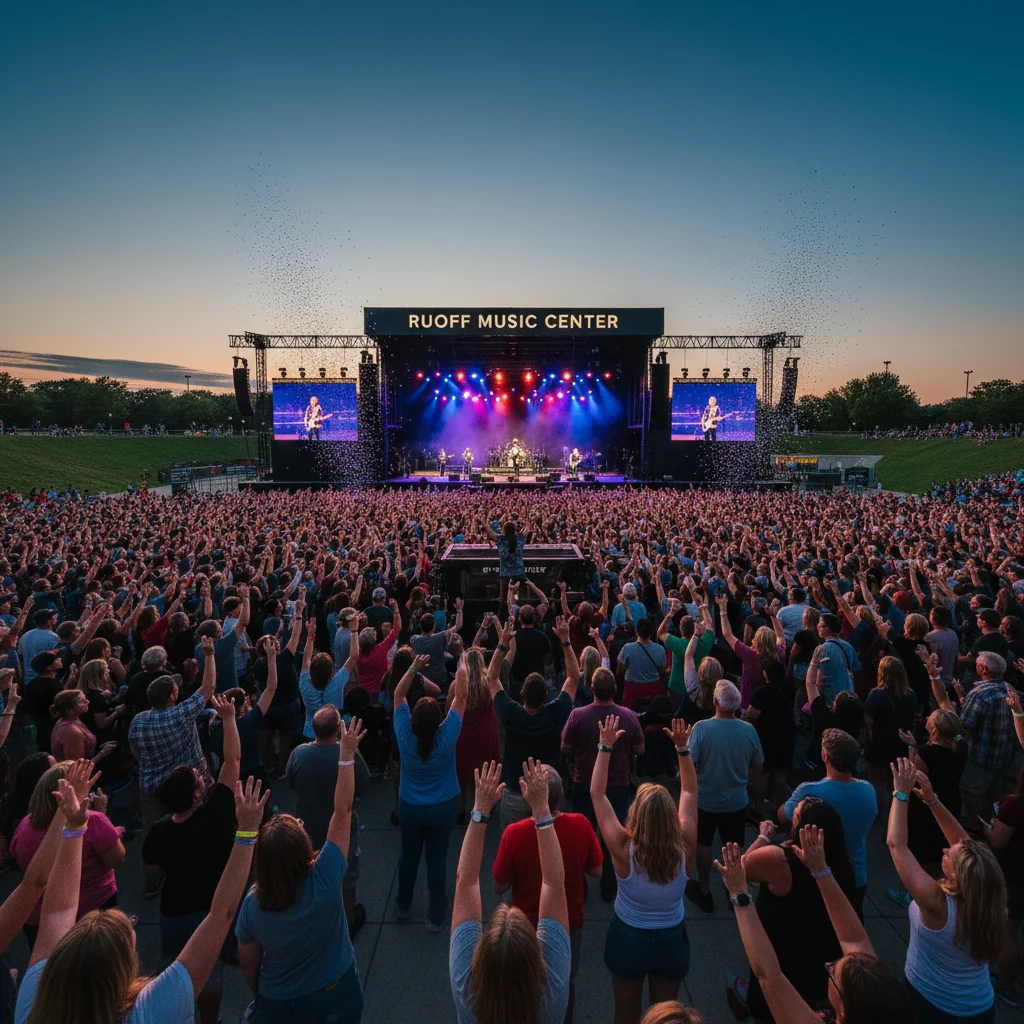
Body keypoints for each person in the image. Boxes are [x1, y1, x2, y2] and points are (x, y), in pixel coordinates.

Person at [16, 766, 269, 1024]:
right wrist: (249, 829)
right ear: (123, 967)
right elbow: (221, 913)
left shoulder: (34, 1000)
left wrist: (73, 825)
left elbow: (57, 911)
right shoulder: (153, 1009)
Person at [236, 717, 366, 1023]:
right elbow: (343, 810)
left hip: (280, 1003)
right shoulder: (326, 876)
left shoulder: (253, 904)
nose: (301, 821)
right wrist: (346, 755)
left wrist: (261, 998)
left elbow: (248, 963)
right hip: (335, 995)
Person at [714, 830, 916, 1024]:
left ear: (843, 1012)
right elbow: (854, 939)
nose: (828, 965)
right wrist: (820, 870)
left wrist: (739, 894)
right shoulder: (872, 996)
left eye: (833, 972)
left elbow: (768, 974)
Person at [141, 693, 241, 1024]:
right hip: (213, 905)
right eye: (200, 779)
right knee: (212, 973)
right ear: (198, 795)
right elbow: (232, 761)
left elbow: (151, 871)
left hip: (174, 910)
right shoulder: (218, 813)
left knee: (175, 965)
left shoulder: (159, 832)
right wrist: (229, 719)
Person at [450, 759, 572, 1024]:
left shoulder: (469, 993)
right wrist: (542, 808)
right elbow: (554, 882)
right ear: (536, 957)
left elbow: (465, 882)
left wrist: (480, 811)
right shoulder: (551, 991)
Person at [593, 717, 697, 1024]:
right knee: (665, 1018)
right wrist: (682, 749)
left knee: (625, 1016)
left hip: (628, 937)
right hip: (671, 939)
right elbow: (690, 792)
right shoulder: (685, 846)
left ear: (635, 813)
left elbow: (597, 794)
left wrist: (605, 747)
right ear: (671, 816)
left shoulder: (623, 849)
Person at [888, 757, 1002, 1022]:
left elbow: (896, 845)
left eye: (949, 855)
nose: (945, 849)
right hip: (981, 1008)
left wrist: (900, 793)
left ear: (958, 876)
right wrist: (932, 800)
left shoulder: (938, 904)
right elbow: (966, 846)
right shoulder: (991, 892)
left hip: (933, 1005)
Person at [492, 762, 602, 1024]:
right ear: (561, 793)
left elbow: (499, 886)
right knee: (564, 980)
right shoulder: (581, 825)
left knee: (522, 982)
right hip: (569, 923)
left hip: (524, 926)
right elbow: (596, 870)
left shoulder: (513, 834)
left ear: (528, 794)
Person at [730, 800, 855, 1022]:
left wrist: (764, 837)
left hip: (780, 948)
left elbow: (740, 868)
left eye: (795, 814)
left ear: (801, 829)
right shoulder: (843, 865)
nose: (791, 814)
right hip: (817, 957)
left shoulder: (780, 859)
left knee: (772, 993)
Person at [11, 760, 125, 950]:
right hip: (93, 915)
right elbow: (116, 859)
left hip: (41, 923)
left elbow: (23, 862)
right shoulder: (93, 821)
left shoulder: (24, 826)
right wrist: (102, 815)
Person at [392, 652, 466, 931]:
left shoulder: (404, 735)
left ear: (413, 720)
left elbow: (398, 695)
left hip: (410, 806)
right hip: (443, 806)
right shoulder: (447, 736)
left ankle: (402, 905)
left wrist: (412, 669)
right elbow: (460, 697)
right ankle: (436, 915)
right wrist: (462, 665)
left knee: (408, 856)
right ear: (439, 721)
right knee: (437, 860)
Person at [561, 666, 644, 902]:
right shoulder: (628, 716)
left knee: (582, 837)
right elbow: (640, 749)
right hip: (618, 787)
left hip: (585, 785)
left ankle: (580, 885)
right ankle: (610, 886)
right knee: (614, 839)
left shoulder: (577, 716)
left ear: (592, 689)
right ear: (614, 690)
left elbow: (565, 746)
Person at [286, 705, 370, 936]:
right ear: (338, 729)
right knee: (347, 875)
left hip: (309, 829)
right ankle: (349, 921)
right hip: (344, 830)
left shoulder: (298, 754)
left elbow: (291, 783)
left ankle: (317, 918)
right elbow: (363, 784)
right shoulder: (348, 754)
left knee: (312, 874)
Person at [491, 618, 580, 829]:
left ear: (522, 692)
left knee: (513, 841)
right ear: (546, 694)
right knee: (545, 840)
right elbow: (573, 678)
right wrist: (565, 641)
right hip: (546, 791)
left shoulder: (511, 714)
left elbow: (492, 678)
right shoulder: (555, 713)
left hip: (516, 790)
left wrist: (502, 643)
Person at [780, 729, 877, 918]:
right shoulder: (868, 790)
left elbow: (783, 816)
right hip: (855, 876)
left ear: (825, 756)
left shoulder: (809, 791)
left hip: (815, 876)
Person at [685, 680, 763, 914]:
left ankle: (704, 891)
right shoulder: (749, 730)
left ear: (715, 702)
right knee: (734, 847)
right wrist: (756, 801)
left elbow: (689, 765)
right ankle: (734, 891)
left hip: (706, 800)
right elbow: (758, 769)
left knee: (704, 843)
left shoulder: (701, 728)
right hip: (736, 801)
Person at [129, 634, 218, 823]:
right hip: (188, 786)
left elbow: (136, 752)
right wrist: (209, 654)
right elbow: (208, 689)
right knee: (198, 824)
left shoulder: (137, 721)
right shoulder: (181, 714)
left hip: (152, 787)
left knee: (157, 831)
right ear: (172, 696)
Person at [959, 651, 1021, 825]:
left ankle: (972, 825)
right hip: (1003, 754)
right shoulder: (1010, 690)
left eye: (978, 664)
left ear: (984, 669)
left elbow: (965, 724)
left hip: (980, 754)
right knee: (993, 795)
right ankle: (987, 824)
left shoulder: (979, 693)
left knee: (972, 791)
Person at [448, 648, 499, 822]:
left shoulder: (457, 685)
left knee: (461, 773)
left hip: (463, 735)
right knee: (483, 773)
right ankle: (482, 809)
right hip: (484, 734)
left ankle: (461, 810)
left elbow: (449, 709)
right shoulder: (488, 684)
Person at [864, 656, 918, 815]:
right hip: (901, 743)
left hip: (879, 743)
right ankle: (897, 811)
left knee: (876, 782)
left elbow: (868, 722)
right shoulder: (911, 694)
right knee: (895, 781)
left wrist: (868, 740)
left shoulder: (876, 694)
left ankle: (877, 812)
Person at [716, 594, 786, 709]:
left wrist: (723, 610)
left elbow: (727, 634)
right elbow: (780, 635)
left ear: (755, 640)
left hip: (750, 703)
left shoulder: (750, 654)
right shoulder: (780, 652)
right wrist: (772, 616)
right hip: (774, 703)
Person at [300, 619, 358, 740]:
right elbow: (353, 657)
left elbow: (306, 661)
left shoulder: (305, 683)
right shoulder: (336, 684)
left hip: (310, 732)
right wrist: (354, 631)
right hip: (333, 733)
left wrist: (310, 637)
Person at [48, 691, 118, 766]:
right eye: (82, 701)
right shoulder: (72, 732)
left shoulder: (73, 719)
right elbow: (78, 767)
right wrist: (102, 753)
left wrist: (100, 748)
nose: (88, 701)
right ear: (70, 710)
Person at [617, 617, 667, 710]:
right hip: (653, 692)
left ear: (636, 631)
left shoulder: (627, 648)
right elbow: (662, 671)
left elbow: (619, 672)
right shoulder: (660, 649)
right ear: (651, 632)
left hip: (632, 692)